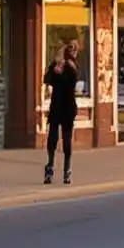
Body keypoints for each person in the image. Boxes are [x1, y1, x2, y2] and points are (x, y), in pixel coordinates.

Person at [43, 43, 79, 185]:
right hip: (57, 107)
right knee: (53, 138)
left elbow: (73, 82)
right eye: (73, 50)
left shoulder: (72, 67)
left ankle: (66, 170)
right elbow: (46, 79)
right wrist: (54, 68)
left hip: (66, 107)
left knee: (66, 140)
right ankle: (51, 167)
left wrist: (62, 70)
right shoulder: (57, 66)